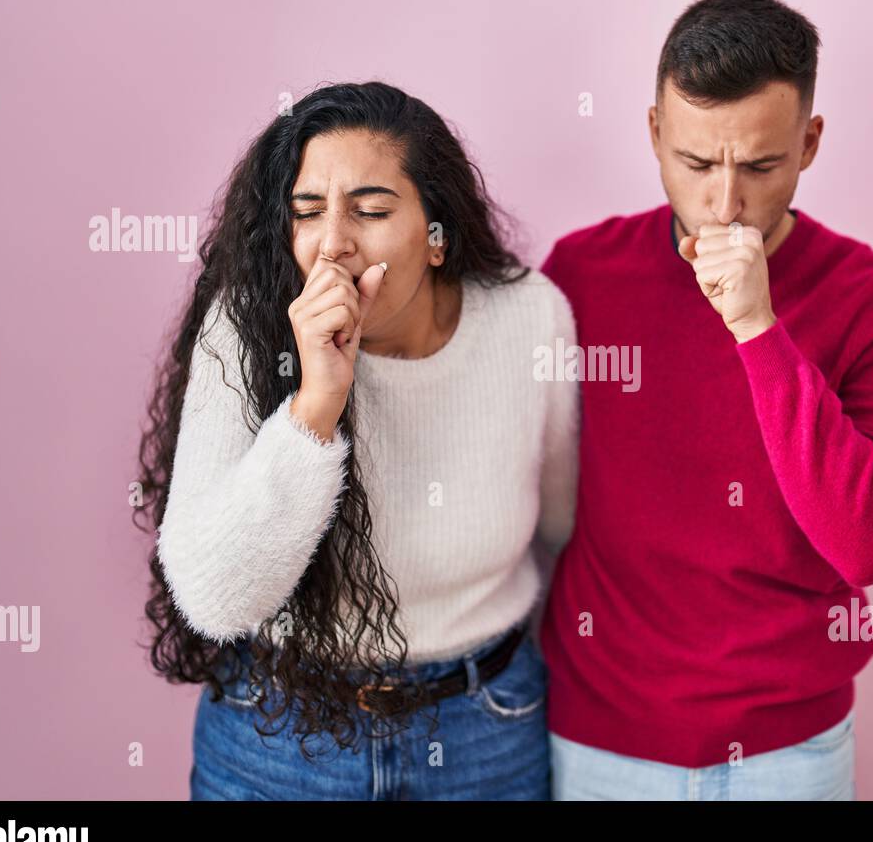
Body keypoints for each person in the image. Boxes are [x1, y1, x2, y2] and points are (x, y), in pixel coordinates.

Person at [134, 80, 579, 800]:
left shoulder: (531, 321)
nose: (333, 243)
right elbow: (213, 601)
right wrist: (316, 402)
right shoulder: (244, 328)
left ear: (438, 234)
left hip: (483, 727)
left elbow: (561, 528)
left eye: (371, 211)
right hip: (278, 733)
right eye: (307, 212)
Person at [538, 0, 873, 800]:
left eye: (759, 166)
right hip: (602, 740)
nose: (724, 203)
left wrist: (758, 329)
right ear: (654, 133)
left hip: (792, 750)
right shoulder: (580, 274)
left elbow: (871, 546)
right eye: (695, 163)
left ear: (809, 143)